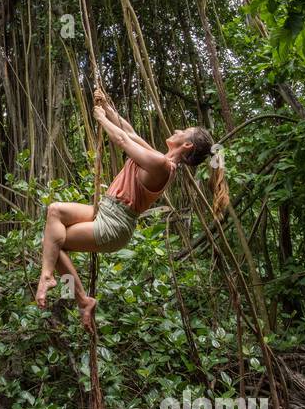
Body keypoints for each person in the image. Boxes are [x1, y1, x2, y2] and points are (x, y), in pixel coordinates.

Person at [35, 90, 224, 332]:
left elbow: (124, 141)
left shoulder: (162, 166)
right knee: (55, 212)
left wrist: (101, 119)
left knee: (53, 244)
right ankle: (65, 287)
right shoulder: (159, 158)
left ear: (186, 144)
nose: (176, 131)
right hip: (107, 210)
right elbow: (131, 132)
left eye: (181, 131)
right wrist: (108, 108)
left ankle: (74, 294)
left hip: (114, 225)